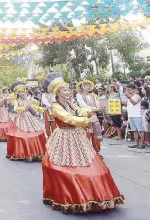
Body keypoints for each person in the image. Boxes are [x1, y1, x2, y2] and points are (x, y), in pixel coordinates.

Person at [42, 72, 124, 214]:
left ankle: (97, 196)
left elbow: (79, 110)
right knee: (63, 167)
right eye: (65, 90)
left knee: (94, 165)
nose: (68, 92)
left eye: (68, 89)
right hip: (64, 136)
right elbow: (68, 118)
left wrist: (94, 110)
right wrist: (86, 122)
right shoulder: (56, 106)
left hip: (77, 135)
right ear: (57, 92)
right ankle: (71, 196)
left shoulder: (70, 103)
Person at [6, 81, 46, 162]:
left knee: (36, 133)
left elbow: (36, 104)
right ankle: (26, 153)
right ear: (17, 93)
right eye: (20, 92)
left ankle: (37, 153)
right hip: (21, 118)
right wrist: (25, 108)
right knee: (24, 136)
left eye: (23, 91)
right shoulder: (16, 101)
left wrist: (40, 107)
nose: (22, 93)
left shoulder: (28, 99)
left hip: (30, 118)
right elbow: (16, 109)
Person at [76, 80, 103, 153]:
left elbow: (98, 104)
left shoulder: (93, 95)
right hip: (84, 116)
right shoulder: (79, 95)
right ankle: (86, 152)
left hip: (93, 115)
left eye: (89, 85)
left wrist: (100, 107)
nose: (88, 87)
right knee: (86, 133)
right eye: (86, 85)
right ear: (82, 86)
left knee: (96, 133)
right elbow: (82, 105)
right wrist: (95, 108)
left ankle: (96, 152)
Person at [125, 84, 145, 149]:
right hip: (131, 115)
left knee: (140, 130)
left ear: (134, 90)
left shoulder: (137, 96)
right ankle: (136, 143)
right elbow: (127, 104)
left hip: (137, 115)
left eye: (129, 89)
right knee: (134, 130)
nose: (128, 91)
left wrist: (128, 97)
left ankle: (142, 144)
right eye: (127, 89)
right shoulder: (129, 97)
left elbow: (134, 102)